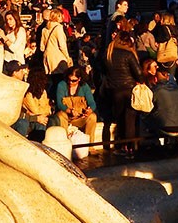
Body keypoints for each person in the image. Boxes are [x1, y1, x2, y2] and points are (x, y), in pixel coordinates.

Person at [104, 28, 142, 157]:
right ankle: (130, 148)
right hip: (129, 88)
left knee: (120, 119)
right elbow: (139, 73)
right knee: (130, 119)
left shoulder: (109, 53)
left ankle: (121, 146)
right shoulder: (128, 54)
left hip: (115, 89)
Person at [53, 65, 98, 144]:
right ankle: (65, 143)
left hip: (79, 117)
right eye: (69, 79)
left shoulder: (84, 86)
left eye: (74, 81)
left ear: (79, 79)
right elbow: (59, 104)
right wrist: (69, 111)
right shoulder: (62, 85)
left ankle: (90, 145)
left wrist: (89, 110)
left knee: (93, 117)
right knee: (60, 115)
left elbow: (92, 103)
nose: (71, 82)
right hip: (66, 116)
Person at [39, 9, 71, 80]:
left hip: (47, 58)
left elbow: (42, 47)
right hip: (58, 58)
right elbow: (62, 45)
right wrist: (67, 57)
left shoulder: (44, 29)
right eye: (60, 16)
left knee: (50, 80)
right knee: (60, 79)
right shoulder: (58, 28)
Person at [0, 10, 29, 76]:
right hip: (7, 62)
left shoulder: (21, 30)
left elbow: (14, 48)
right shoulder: (9, 32)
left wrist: (4, 37)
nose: (8, 22)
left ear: (15, 18)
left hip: (16, 64)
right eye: (7, 20)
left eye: (10, 19)